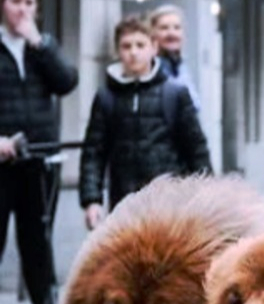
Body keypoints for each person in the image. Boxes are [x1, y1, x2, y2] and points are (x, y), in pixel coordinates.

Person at [0, 0, 78, 304]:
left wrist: (39, 43)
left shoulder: (41, 46)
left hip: (38, 160)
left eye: (30, 3)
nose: (23, 10)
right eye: (17, 2)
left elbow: (67, 81)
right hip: (2, 161)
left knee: (38, 248)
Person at [80, 16, 211, 229]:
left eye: (140, 45)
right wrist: (91, 200)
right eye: (126, 46)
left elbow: (197, 150)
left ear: (153, 47)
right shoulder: (106, 97)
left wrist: (206, 196)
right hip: (123, 204)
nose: (133, 52)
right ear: (118, 51)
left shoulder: (175, 93)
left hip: (169, 204)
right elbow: (94, 152)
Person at [148, 5, 199, 110]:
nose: (171, 33)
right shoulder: (149, 68)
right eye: (164, 28)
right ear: (152, 34)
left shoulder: (180, 66)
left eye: (177, 28)